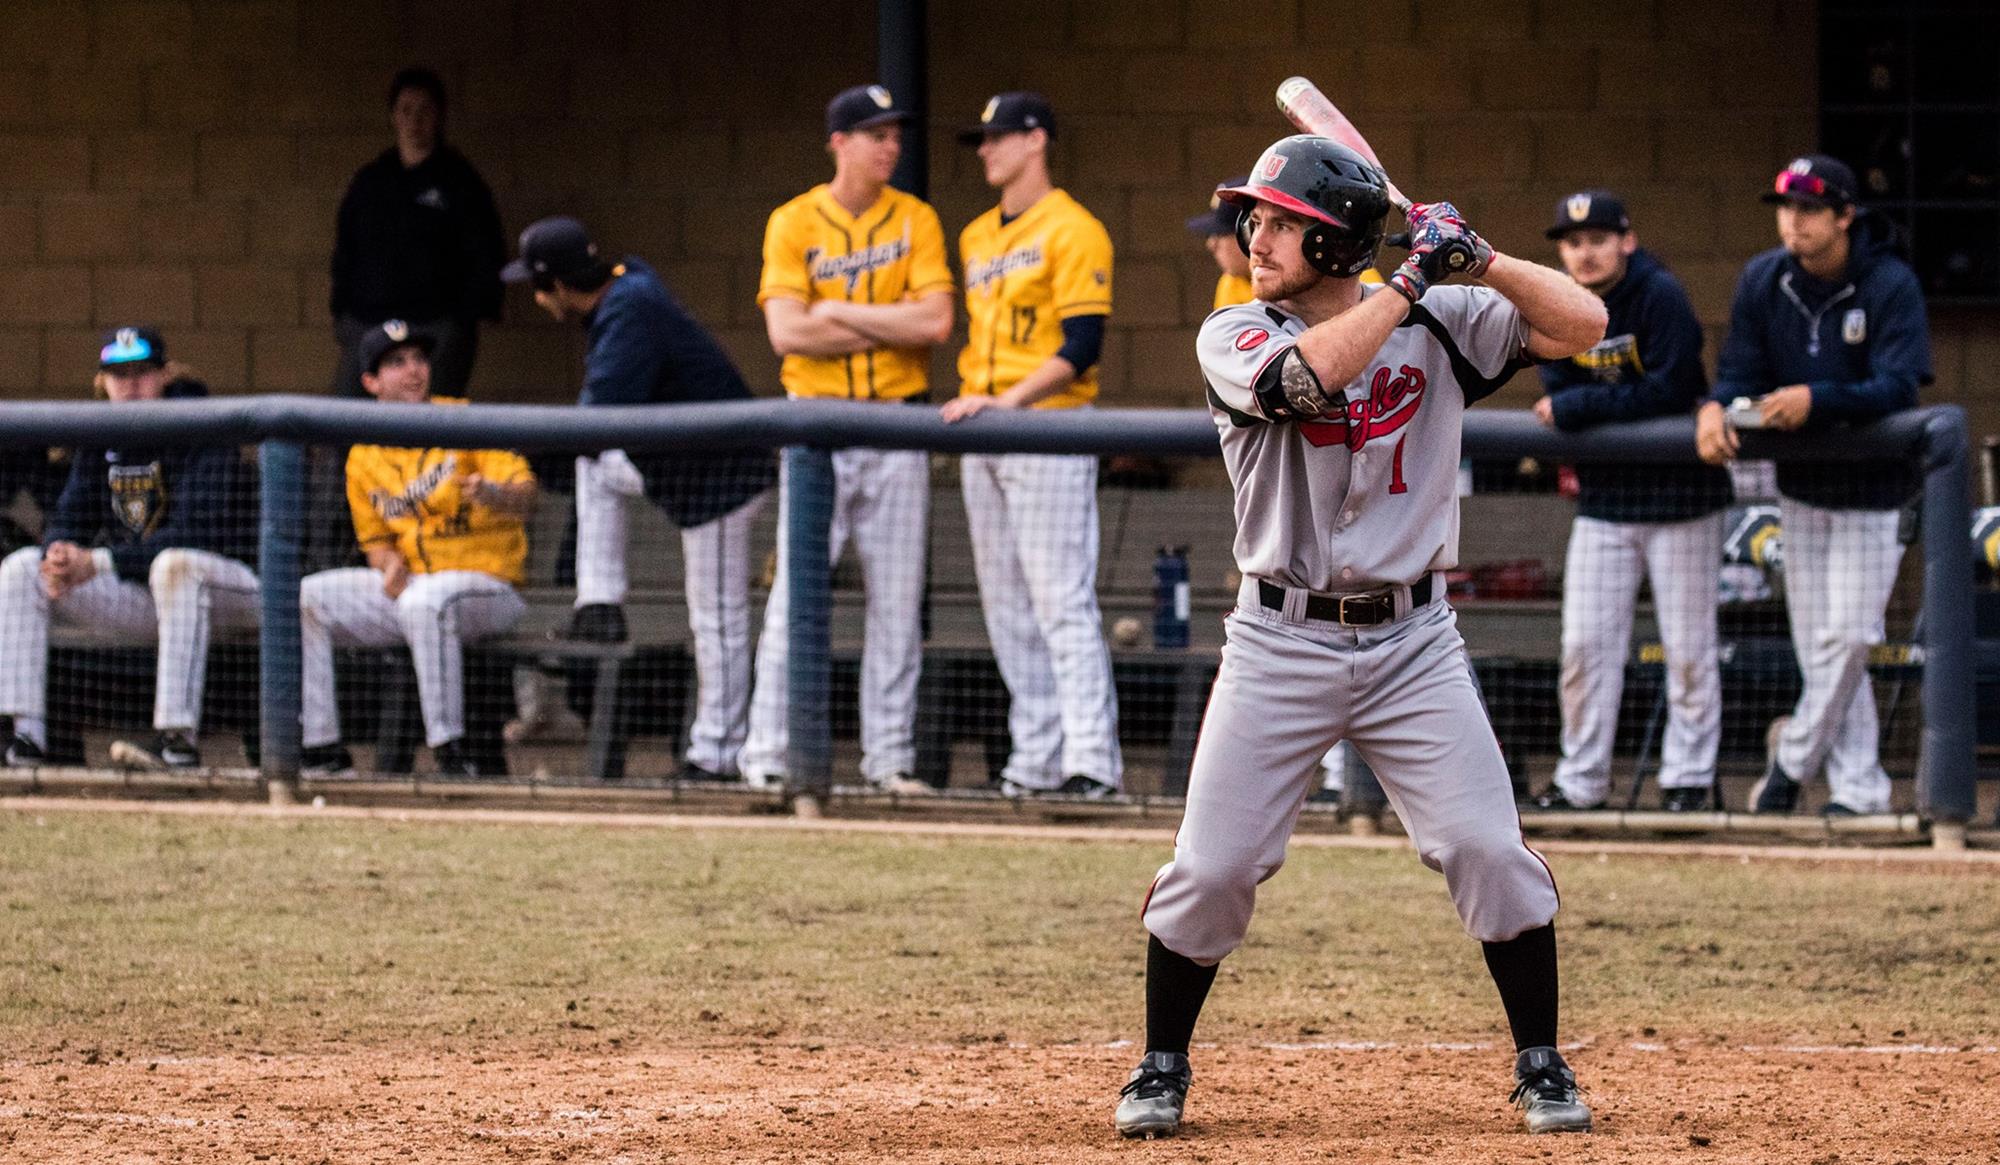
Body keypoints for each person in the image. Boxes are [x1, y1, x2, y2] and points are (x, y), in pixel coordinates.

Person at [1112, 135, 1607, 1140]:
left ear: (1335, 243)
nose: (1255, 236)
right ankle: (1161, 1064)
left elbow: (1585, 324)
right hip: (1277, 638)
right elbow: (1306, 381)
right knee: (1209, 869)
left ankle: (1539, 1062)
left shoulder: (1440, 315)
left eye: (1283, 223)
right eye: (1256, 218)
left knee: (1484, 847)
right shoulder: (1232, 333)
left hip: (1412, 640)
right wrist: (1412, 278)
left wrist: (1484, 260)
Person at [1696, 154, 1931, 817]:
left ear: (1844, 216)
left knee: (1851, 637)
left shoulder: (1888, 281)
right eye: (1785, 207)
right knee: (1823, 649)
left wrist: (1814, 398)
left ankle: (1791, 760)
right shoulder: (1764, 279)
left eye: (1808, 209)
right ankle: (1859, 791)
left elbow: (1899, 385)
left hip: (1873, 491)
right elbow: (1738, 367)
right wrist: (1717, 406)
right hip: (1800, 490)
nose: (1792, 222)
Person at [502, 216, 777, 781]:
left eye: (538, 286)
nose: (537, 299)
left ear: (557, 285)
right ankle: (598, 605)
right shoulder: (627, 284)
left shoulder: (628, 308)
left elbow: (597, 422)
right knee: (596, 467)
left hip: (722, 484)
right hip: (686, 472)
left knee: (717, 622)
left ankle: (716, 754)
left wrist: (522, 449)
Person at [739, 84, 954, 794]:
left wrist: (837, 308)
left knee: (897, 599)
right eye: (874, 133)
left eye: (894, 133)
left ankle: (887, 760)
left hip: (895, 421)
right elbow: (787, 332)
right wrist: (882, 315)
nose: (889, 145)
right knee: (793, 598)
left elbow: (933, 324)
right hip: (817, 428)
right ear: (839, 142)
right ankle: (768, 754)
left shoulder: (916, 218)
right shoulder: (793, 220)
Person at [1524, 191, 1733, 813]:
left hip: (1683, 499)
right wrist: (1578, 407)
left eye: (1597, 239)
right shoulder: (1559, 300)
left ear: (1626, 242)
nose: (1584, 253)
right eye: (1572, 242)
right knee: (1586, 648)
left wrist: (1584, 408)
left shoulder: (1658, 293)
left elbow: (1674, 389)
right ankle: (1581, 782)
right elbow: (1554, 385)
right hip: (1606, 502)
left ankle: (1688, 781)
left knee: (1690, 650)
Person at [942, 92, 1122, 798]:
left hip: (1045, 427)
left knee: (1059, 599)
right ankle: (1034, 759)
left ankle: (1091, 761)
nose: (985, 149)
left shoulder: (1076, 229)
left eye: (997, 137)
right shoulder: (976, 235)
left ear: (1035, 141)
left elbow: (1082, 346)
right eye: (981, 139)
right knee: (1005, 606)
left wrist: (1007, 403)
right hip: (984, 427)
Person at [0, 328, 258, 770]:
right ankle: (24, 739)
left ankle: (177, 740)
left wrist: (97, 561)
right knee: (25, 567)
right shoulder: (102, 434)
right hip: (150, 595)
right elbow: (71, 513)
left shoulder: (203, 423)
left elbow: (199, 534)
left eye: (142, 372)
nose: (131, 384)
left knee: (175, 565)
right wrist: (60, 551)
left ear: (164, 375)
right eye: (119, 375)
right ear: (104, 381)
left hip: (234, 592)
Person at [297, 321, 537, 779]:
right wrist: (388, 565)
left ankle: (452, 751)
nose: (413, 371)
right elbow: (377, 543)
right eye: (396, 363)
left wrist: (493, 494)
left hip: (488, 587)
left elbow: (527, 496)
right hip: (418, 590)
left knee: (428, 604)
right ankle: (323, 749)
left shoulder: (463, 418)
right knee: (310, 597)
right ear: (370, 382)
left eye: (419, 359)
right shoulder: (363, 454)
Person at [329, 66, 505, 398]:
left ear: (439, 116)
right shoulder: (371, 181)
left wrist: (465, 317)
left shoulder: (459, 181)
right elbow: (345, 251)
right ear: (393, 116)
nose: (415, 120)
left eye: (425, 110)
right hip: (369, 323)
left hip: (436, 325)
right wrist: (342, 314)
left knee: (429, 425)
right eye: (406, 110)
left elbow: (485, 251)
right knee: (346, 420)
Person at [1187, 177, 1255, 310]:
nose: (1211, 244)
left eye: (1221, 234)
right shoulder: (1231, 283)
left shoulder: (1294, 284)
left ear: (1250, 233)